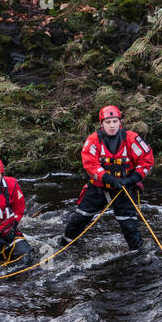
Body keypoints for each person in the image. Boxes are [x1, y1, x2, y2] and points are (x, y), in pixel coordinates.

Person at [61, 103, 154, 255]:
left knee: (129, 226)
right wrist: (110, 179)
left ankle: (137, 255)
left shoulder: (132, 139)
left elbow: (147, 161)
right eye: (108, 122)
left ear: (120, 122)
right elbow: (90, 165)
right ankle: (64, 246)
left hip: (124, 189)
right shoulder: (93, 140)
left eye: (115, 121)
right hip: (98, 189)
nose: (112, 125)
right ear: (101, 124)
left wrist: (132, 179)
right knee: (78, 219)